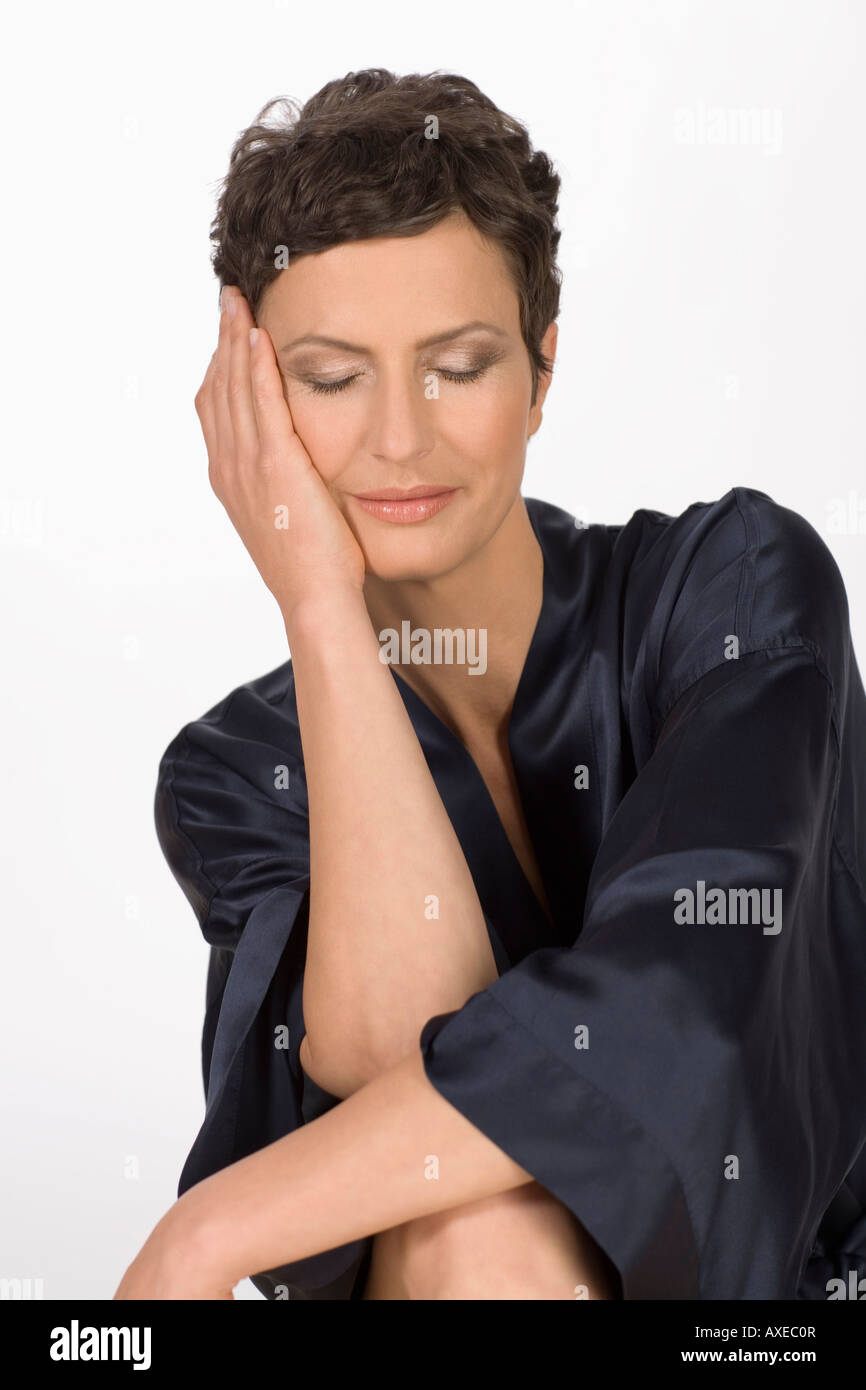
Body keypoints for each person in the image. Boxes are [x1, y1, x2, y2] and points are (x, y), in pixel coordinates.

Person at [115, 69, 866, 1301]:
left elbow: (668, 1020)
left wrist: (205, 1233)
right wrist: (318, 605)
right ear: (252, 408)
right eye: (329, 375)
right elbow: (397, 1046)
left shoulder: (732, 588)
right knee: (470, 1218)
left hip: (771, 1299)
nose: (398, 439)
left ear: (540, 372)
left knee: (491, 1200)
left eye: (455, 365)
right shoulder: (236, 769)